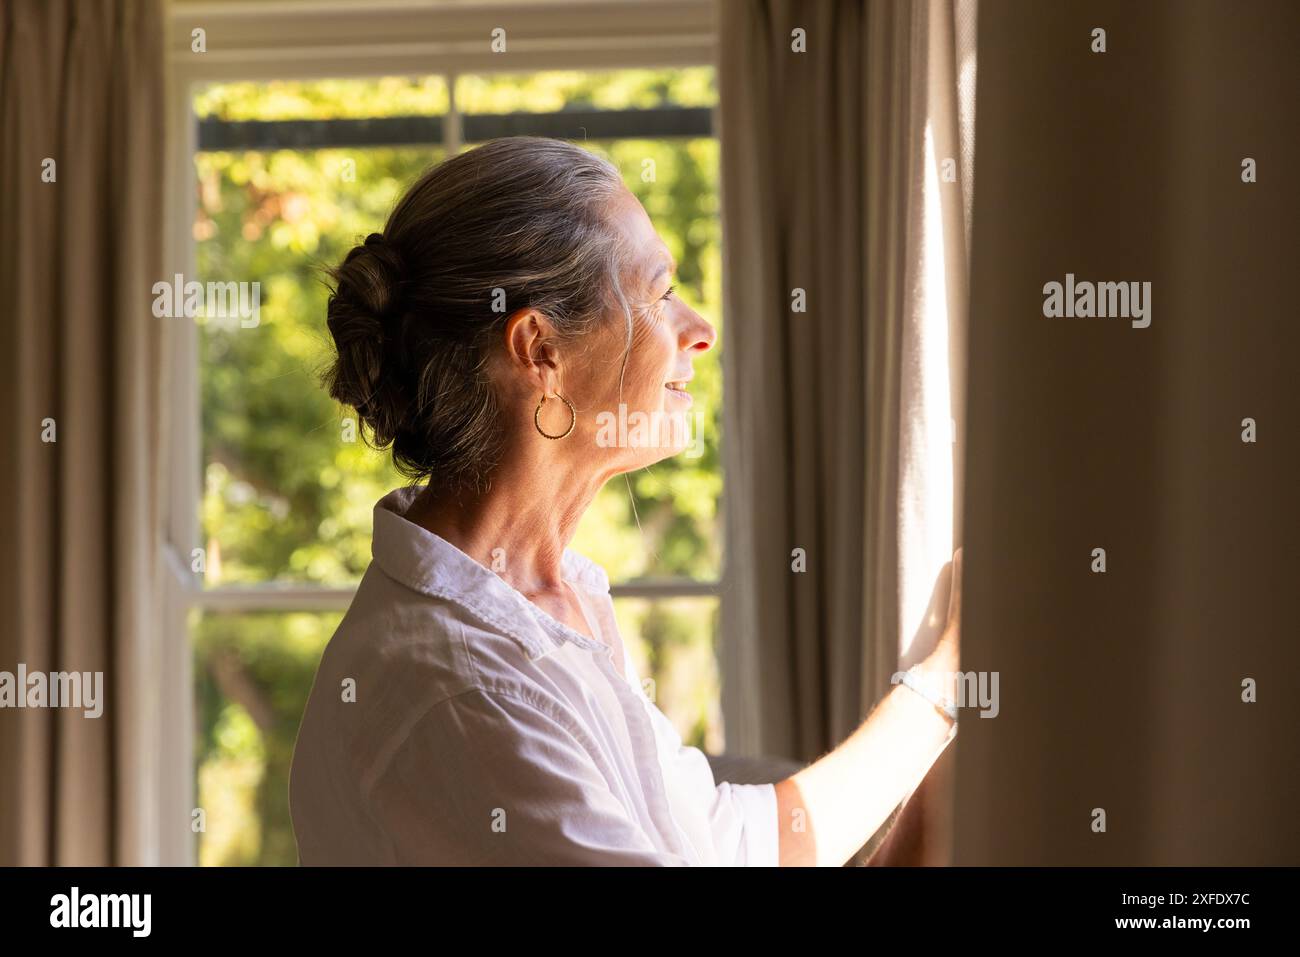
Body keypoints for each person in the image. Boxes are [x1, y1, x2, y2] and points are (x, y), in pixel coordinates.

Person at [288, 137, 961, 866]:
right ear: (540, 348)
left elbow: (732, 842)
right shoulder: (461, 688)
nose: (700, 332)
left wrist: (943, 685)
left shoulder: (546, 601)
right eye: (661, 292)